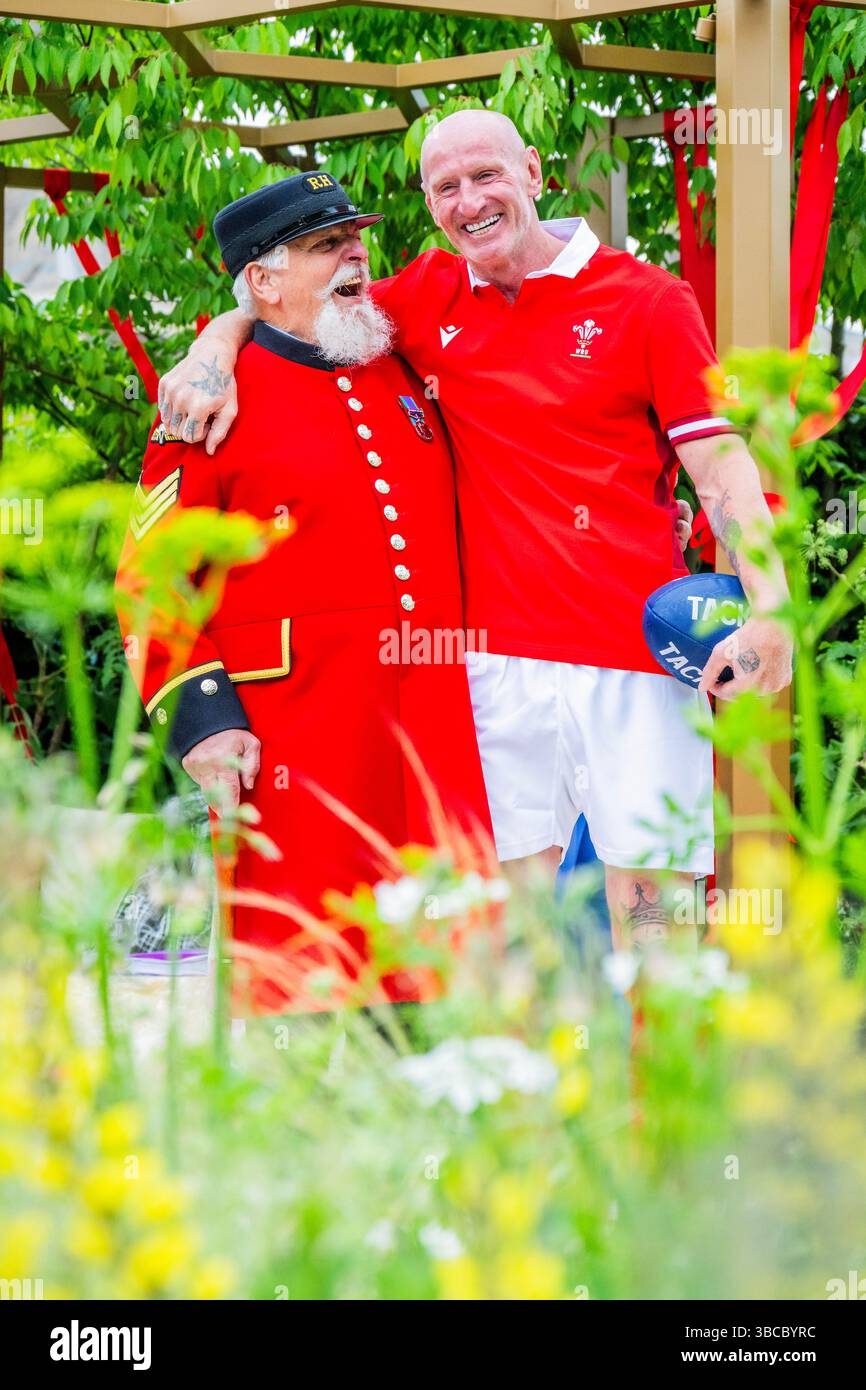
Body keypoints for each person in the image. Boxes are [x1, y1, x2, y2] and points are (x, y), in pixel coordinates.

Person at [158, 111, 794, 949]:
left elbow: (720, 470)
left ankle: (659, 1080)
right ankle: (527, 1083)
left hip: (633, 658)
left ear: (533, 171)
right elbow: (293, 307)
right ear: (429, 203)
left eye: (487, 175)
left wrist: (773, 604)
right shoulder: (424, 296)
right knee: (506, 926)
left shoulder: (650, 301)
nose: (470, 201)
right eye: (445, 187)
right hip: (493, 672)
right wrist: (216, 338)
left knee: (655, 914)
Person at [116, 171, 494, 1015]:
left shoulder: (396, 362)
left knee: (440, 963)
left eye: (357, 238)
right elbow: (149, 581)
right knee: (304, 966)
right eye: (327, 246)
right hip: (294, 736)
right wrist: (202, 720)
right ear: (262, 279)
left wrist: (221, 328)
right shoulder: (207, 404)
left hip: (431, 730)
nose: (356, 255)